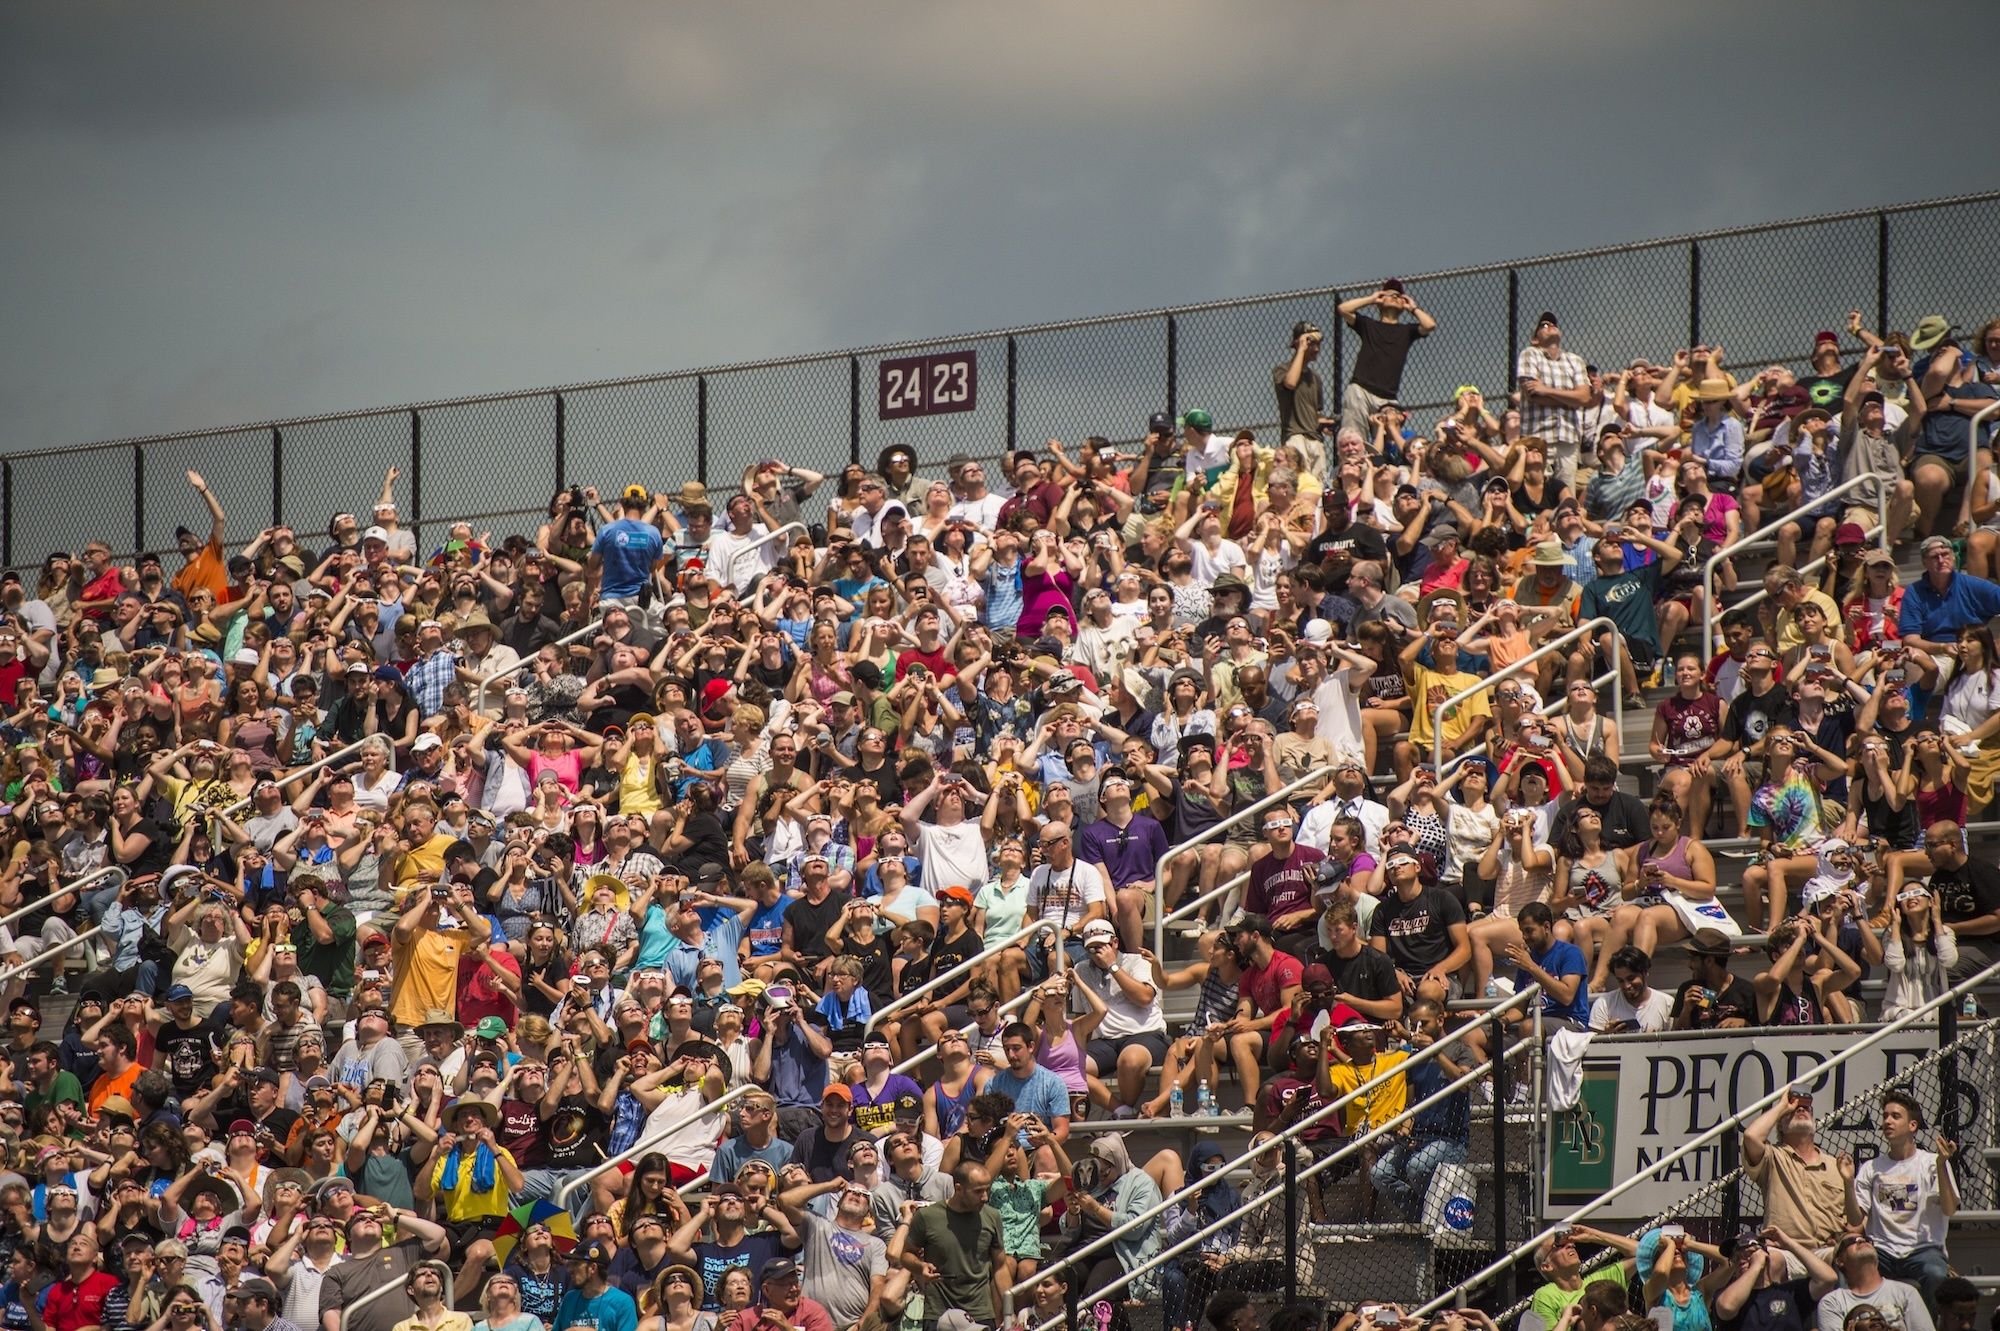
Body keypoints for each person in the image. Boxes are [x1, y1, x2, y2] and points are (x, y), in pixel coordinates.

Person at [1846, 1091, 1957, 1310]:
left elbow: (1950, 1208)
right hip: (1882, 1251)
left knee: (1935, 1274)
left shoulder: (1932, 1163)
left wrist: (1943, 1164)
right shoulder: (1871, 1168)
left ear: (1912, 1126)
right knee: (1846, 1268)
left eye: (1895, 1116)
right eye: (1885, 1115)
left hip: (1922, 1250)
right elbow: (1854, 1218)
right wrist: (1847, 1183)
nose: (1887, 1121)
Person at [900, 1163, 1006, 1330]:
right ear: (959, 1188)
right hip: (939, 1312)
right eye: (978, 1191)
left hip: (980, 1312)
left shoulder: (992, 1216)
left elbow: (1000, 1267)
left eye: (987, 1189)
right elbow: (905, 1255)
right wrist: (920, 1266)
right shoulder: (928, 1217)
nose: (985, 1197)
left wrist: (1008, 1311)